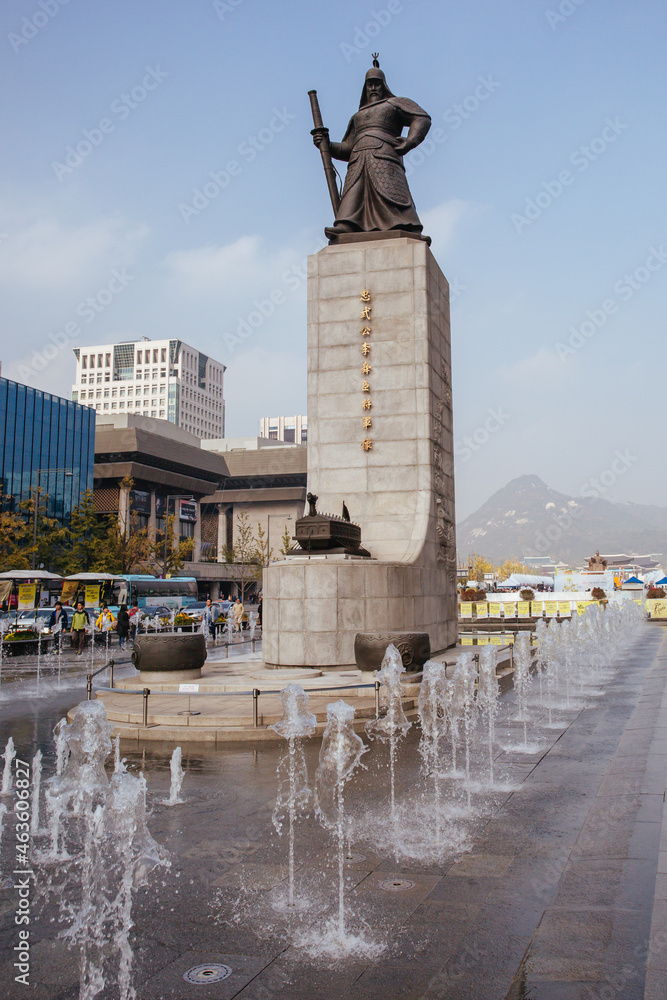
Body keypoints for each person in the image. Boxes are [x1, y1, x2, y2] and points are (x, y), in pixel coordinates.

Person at [312, 56, 431, 240]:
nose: (373, 88)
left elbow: (421, 118)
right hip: (358, 160)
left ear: (384, 85)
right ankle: (346, 224)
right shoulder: (357, 116)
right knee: (353, 194)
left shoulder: (394, 103)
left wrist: (410, 141)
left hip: (384, 156)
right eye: (370, 85)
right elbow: (347, 147)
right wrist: (327, 145)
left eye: (377, 84)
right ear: (365, 88)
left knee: (391, 193)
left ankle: (407, 228)